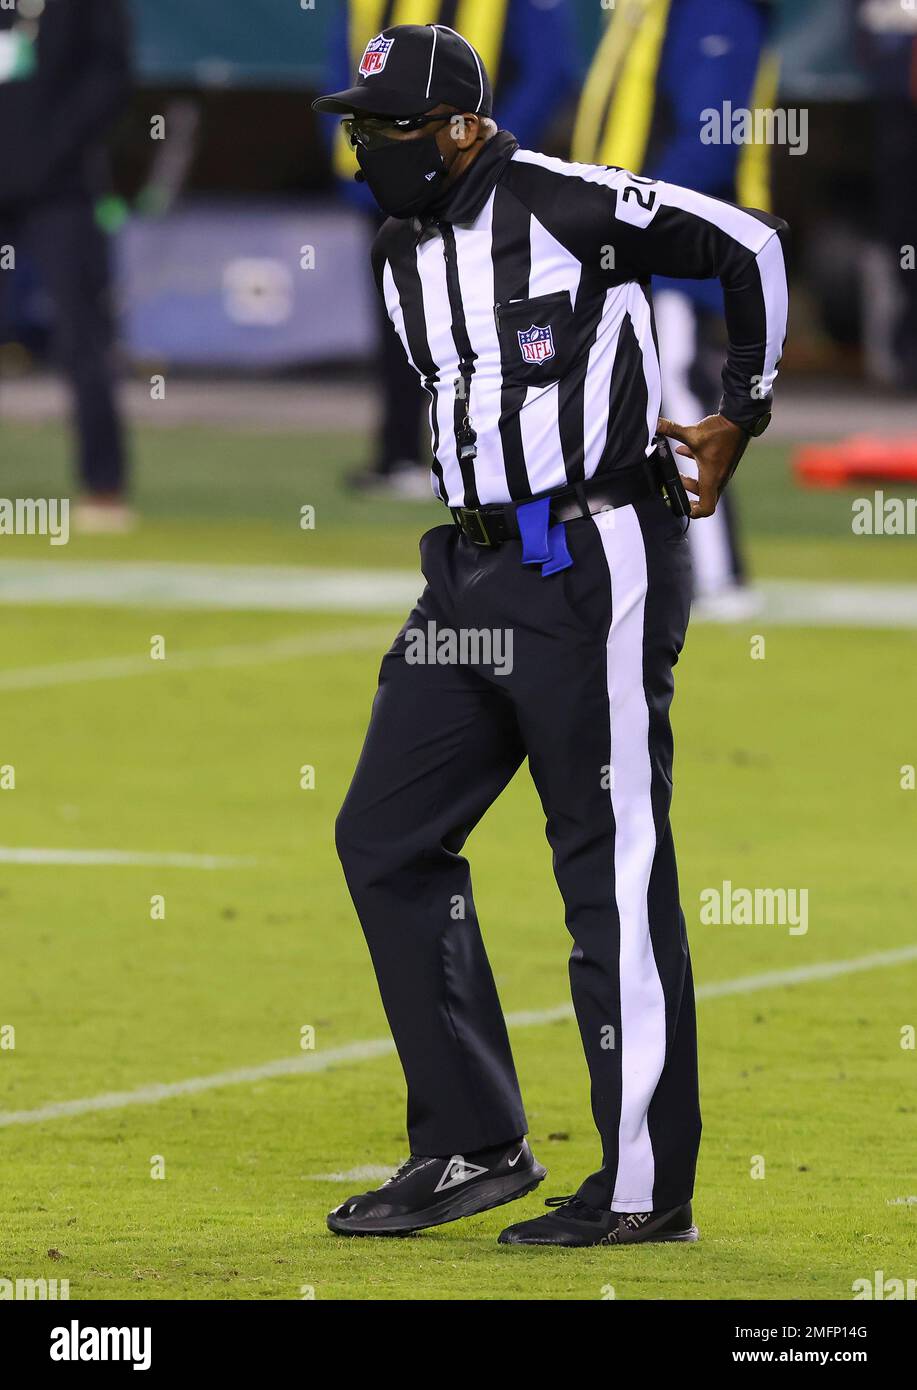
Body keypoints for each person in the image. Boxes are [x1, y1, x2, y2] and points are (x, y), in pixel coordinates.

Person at [314, 23, 787, 1246]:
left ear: (462, 128)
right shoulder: (399, 246)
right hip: (467, 570)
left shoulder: (570, 203)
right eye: (357, 128)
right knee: (384, 833)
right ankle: (472, 1140)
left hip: (594, 559)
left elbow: (745, 240)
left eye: (388, 130)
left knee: (609, 868)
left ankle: (642, 1187)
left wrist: (742, 407)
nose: (366, 151)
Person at [572, 0, 780, 616]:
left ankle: (717, 573)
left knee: (680, 393)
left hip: (674, 246)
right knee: (626, 401)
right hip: (637, 241)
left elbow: (708, 138)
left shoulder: (716, 11)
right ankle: (633, 561)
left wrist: (617, 218)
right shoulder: (650, 10)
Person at [322, 0, 578, 497]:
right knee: (404, 321)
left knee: (496, 318)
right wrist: (359, 158)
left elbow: (549, 71)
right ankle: (400, 453)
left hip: (484, 182)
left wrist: (482, 152)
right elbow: (343, 65)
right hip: (392, 176)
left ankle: (506, 456)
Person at [0, 0, 132, 531]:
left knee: (83, 336)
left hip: (62, 188)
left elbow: (110, 77)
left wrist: (43, 152)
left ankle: (104, 486)